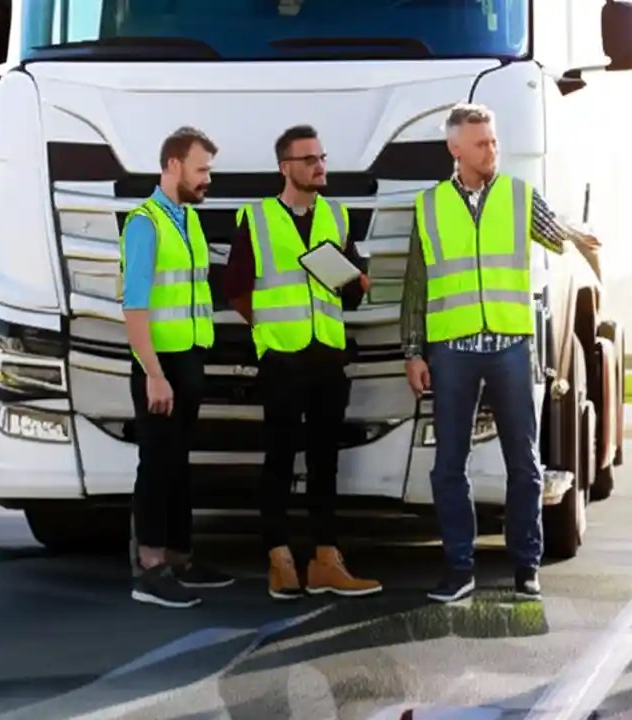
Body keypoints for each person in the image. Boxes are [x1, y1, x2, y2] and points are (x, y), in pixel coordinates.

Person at [400, 103, 599, 604]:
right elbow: (415, 287)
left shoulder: (518, 196)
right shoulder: (428, 207)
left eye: (494, 140)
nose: (493, 149)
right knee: (449, 464)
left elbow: (556, 234)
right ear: (456, 149)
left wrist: (577, 235)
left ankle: (526, 567)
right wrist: (412, 352)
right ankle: (458, 567)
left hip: (510, 347)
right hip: (451, 353)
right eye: (482, 142)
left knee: (524, 463)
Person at [223, 124, 381, 601]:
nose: (319, 166)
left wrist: (357, 283)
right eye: (309, 159)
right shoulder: (256, 217)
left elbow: (349, 291)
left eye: (321, 157)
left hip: (327, 354)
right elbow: (235, 288)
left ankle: (326, 561)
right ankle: (280, 560)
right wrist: (268, 333)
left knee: (324, 461)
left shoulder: (336, 216)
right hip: (281, 358)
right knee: (278, 459)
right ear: (285, 167)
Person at [121, 126, 233, 608]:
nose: (207, 178)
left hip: (187, 357)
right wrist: (153, 372)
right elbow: (135, 306)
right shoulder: (146, 223)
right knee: (157, 466)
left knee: (179, 466)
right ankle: (150, 568)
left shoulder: (187, 220)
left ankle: (181, 559)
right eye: (201, 169)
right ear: (172, 166)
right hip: (160, 364)